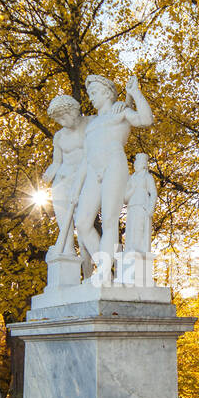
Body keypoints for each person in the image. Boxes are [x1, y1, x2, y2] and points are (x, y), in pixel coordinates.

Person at [73, 75, 154, 282]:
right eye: (89, 94)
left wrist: (135, 93)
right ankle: (104, 266)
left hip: (113, 165)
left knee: (109, 220)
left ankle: (104, 272)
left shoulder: (121, 111)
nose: (90, 98)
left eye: (94, 93)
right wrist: (76, 188)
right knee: (82, 222)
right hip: (92, 170)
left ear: (107, 93)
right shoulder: (91, 124)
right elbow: (85, 159)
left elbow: (146, 120)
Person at [41, 95, 87, 267]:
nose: (61, 122)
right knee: (63, 219)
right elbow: (57, 161)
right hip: (62, 180)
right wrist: (49, 174)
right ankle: (67, 249)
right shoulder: (59, 136)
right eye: (57, 119)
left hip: (82, 180)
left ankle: (89, 263)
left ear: (73, 110)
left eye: (63, 117)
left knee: (83, 223)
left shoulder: (90, 125)